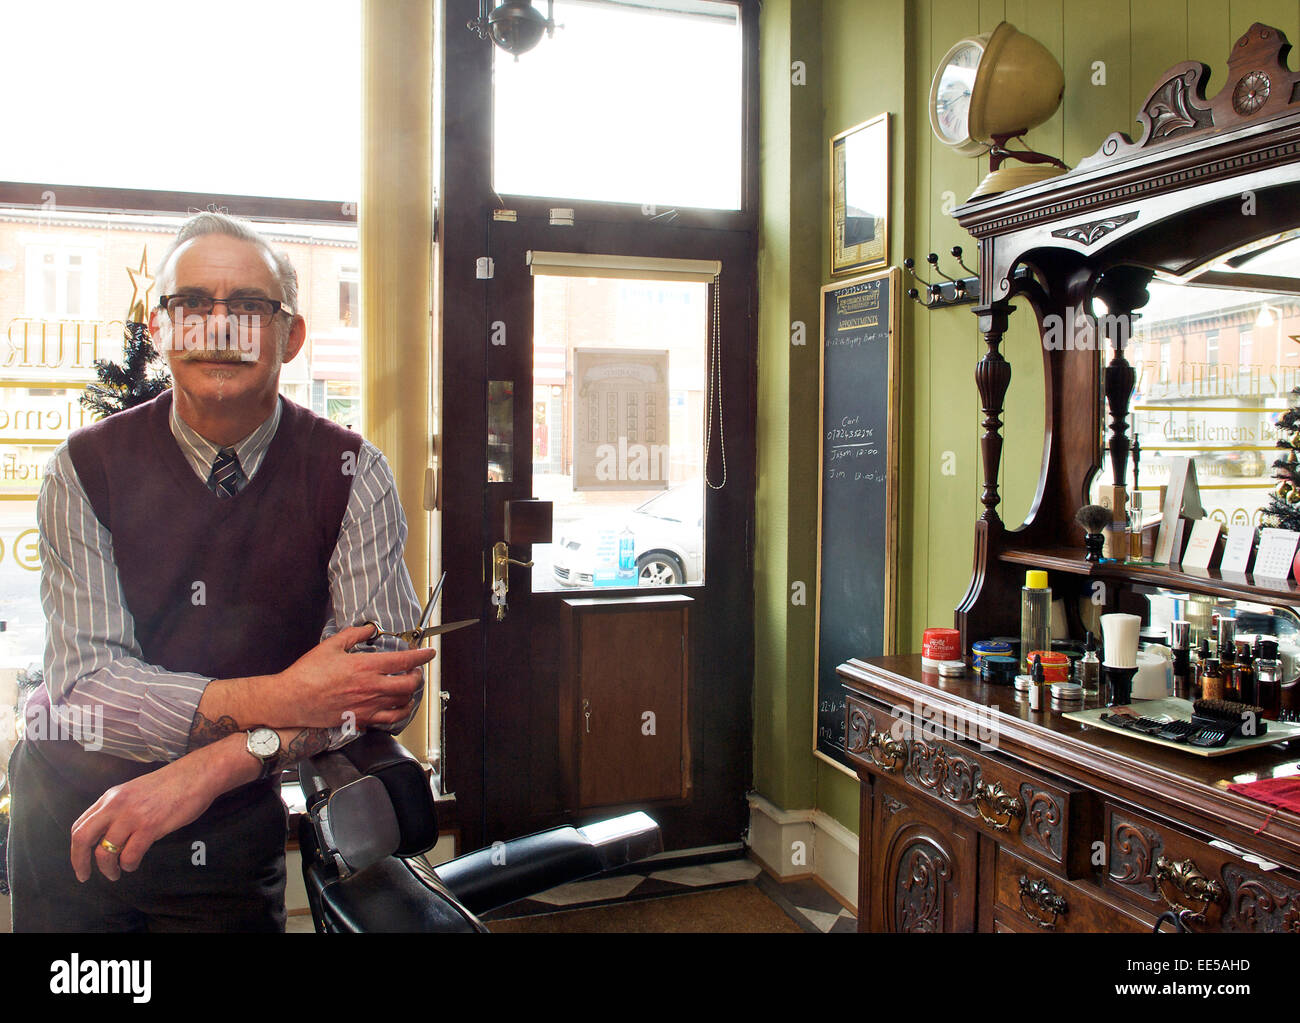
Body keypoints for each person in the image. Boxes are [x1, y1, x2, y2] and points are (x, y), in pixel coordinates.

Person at [6, 212, 435, 932]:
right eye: (193, 305)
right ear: (160, 328)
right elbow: (88, 683)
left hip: (229, 827)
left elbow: (380, 689)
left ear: (292, 334)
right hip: (71, 822)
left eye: (247, 308)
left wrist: (216, 765)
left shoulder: (351, 474)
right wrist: (286, 694)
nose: (218, 327)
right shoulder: (81, 471)